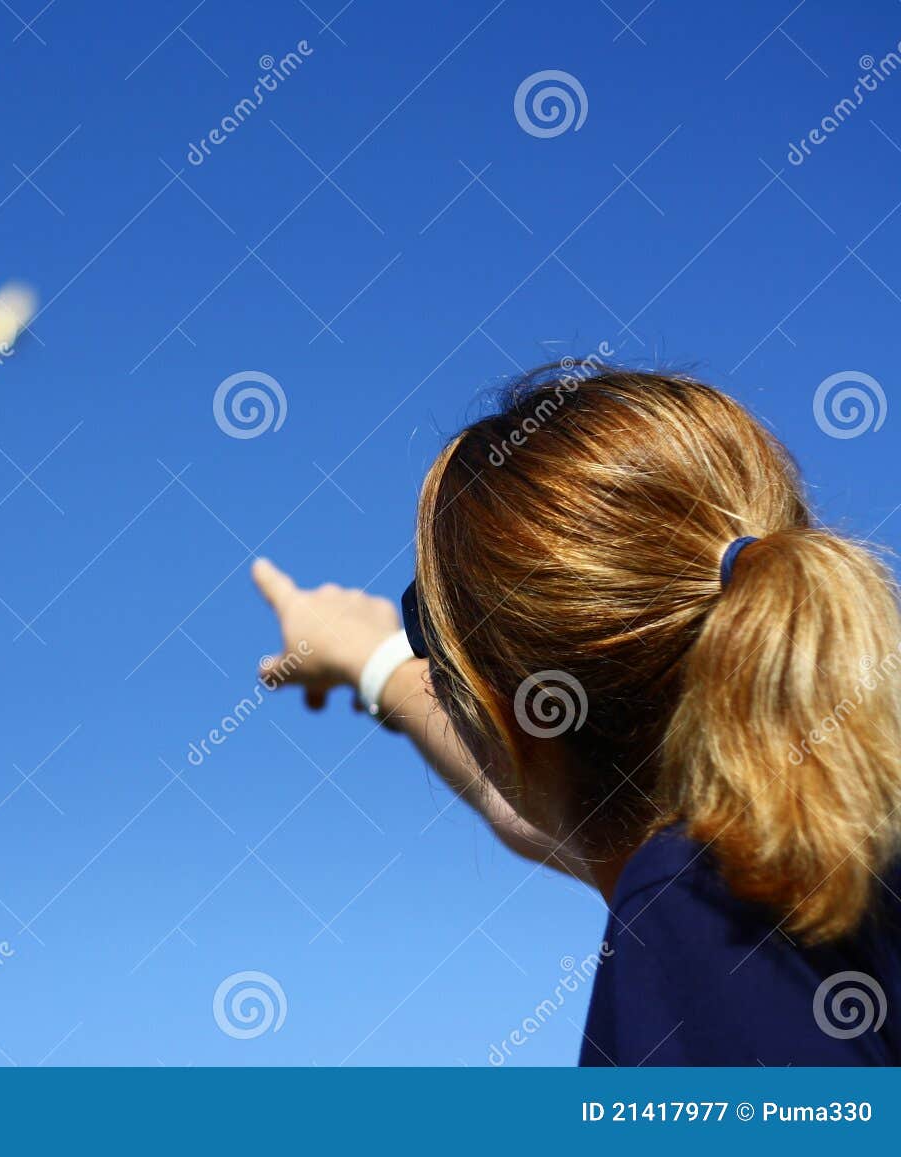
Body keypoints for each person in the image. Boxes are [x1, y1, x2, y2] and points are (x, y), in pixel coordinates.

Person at [252, 366, 901, 1065]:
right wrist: (373, 658)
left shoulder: (694, 919)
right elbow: (560, 808)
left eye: (438, 648)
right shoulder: (834, 853)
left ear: (513, 723)